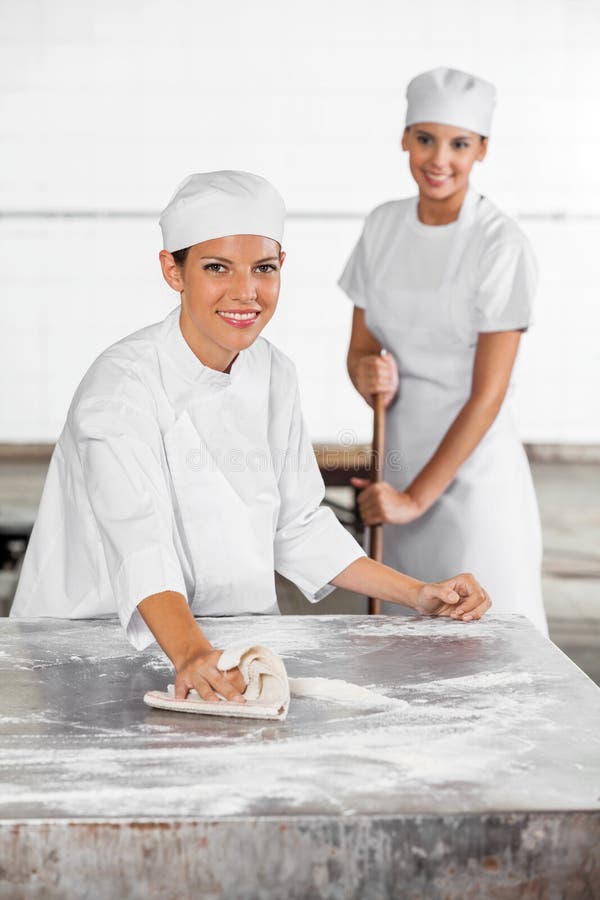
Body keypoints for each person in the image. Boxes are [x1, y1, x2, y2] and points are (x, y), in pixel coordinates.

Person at [11, 170, 491, 703]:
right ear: (173, 270)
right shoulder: (121, 388)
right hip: (93, 651)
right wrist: (192, 653)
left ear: (282, 266)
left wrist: (417, 594)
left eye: (263, 268)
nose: (245, 292)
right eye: (217, 268)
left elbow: (298, 525)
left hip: (226, 648)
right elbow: (138, 542)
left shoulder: (272, 372)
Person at [340, 68, 547, 635]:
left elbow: (488, 395)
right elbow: (360, 349)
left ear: (483, 150)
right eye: (425, 138)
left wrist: (415, 499)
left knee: (487, 645)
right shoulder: (382, 227)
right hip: (398, 460)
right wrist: (366, 374)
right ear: (404, 138)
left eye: (459, 144)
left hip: (473, 476)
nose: (439, 159)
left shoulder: (499, 243)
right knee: (406, 651)